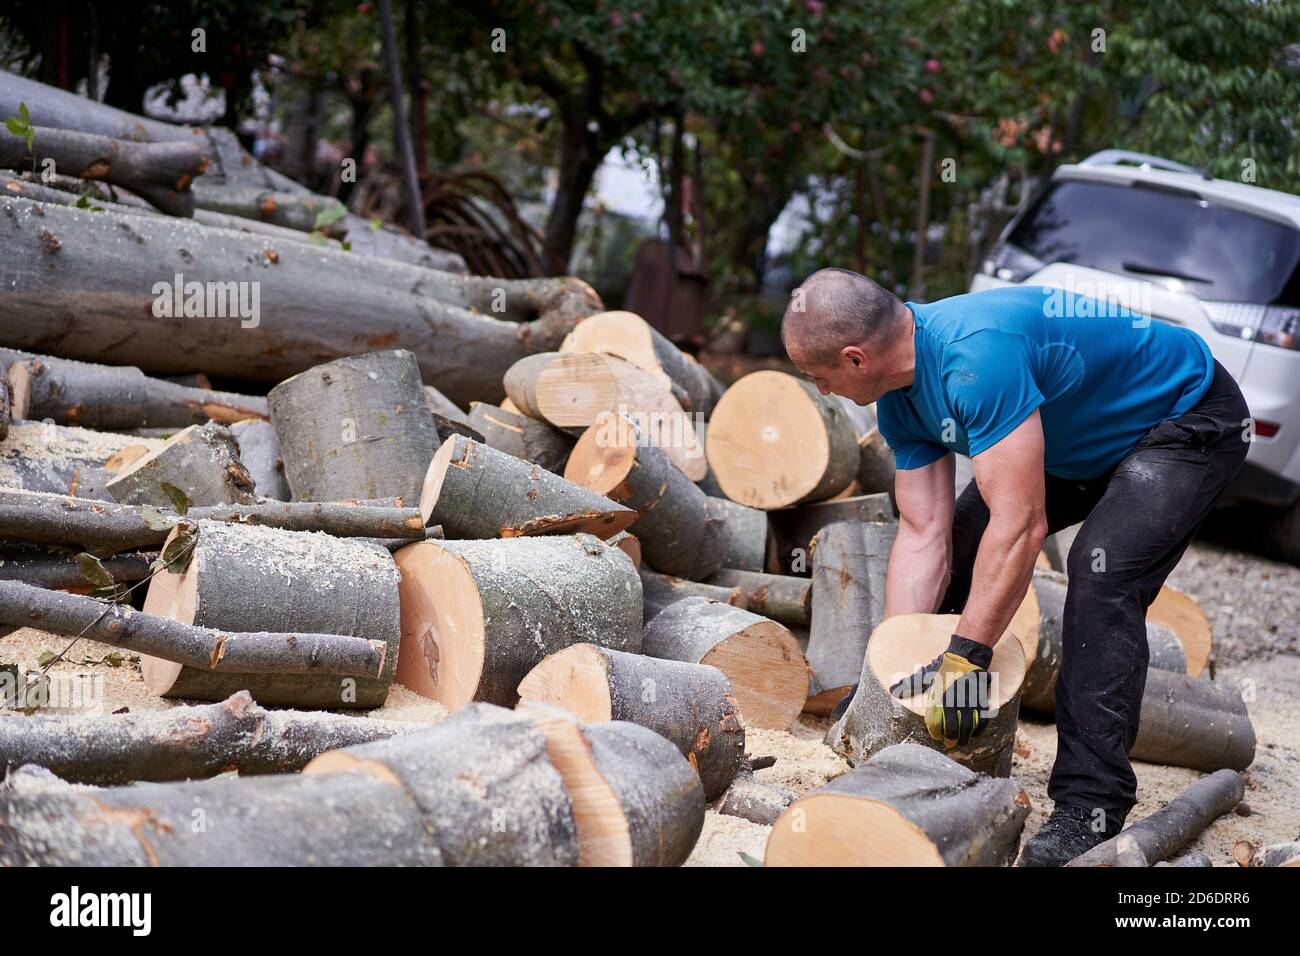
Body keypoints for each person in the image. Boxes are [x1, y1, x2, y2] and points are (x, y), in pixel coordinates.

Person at [781, 268, 1249, 866]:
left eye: (819, 378)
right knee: (965, 536)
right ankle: (927, 735)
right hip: (1080, 437)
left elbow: (1021, 527)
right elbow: (926, 534)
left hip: (1184, 420)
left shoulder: (976, 358)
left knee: (1102, 577)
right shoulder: (898, 395)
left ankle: (1091, 806)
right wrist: (891, 670)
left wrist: (966, 657)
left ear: (854, 358)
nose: (822, 392)